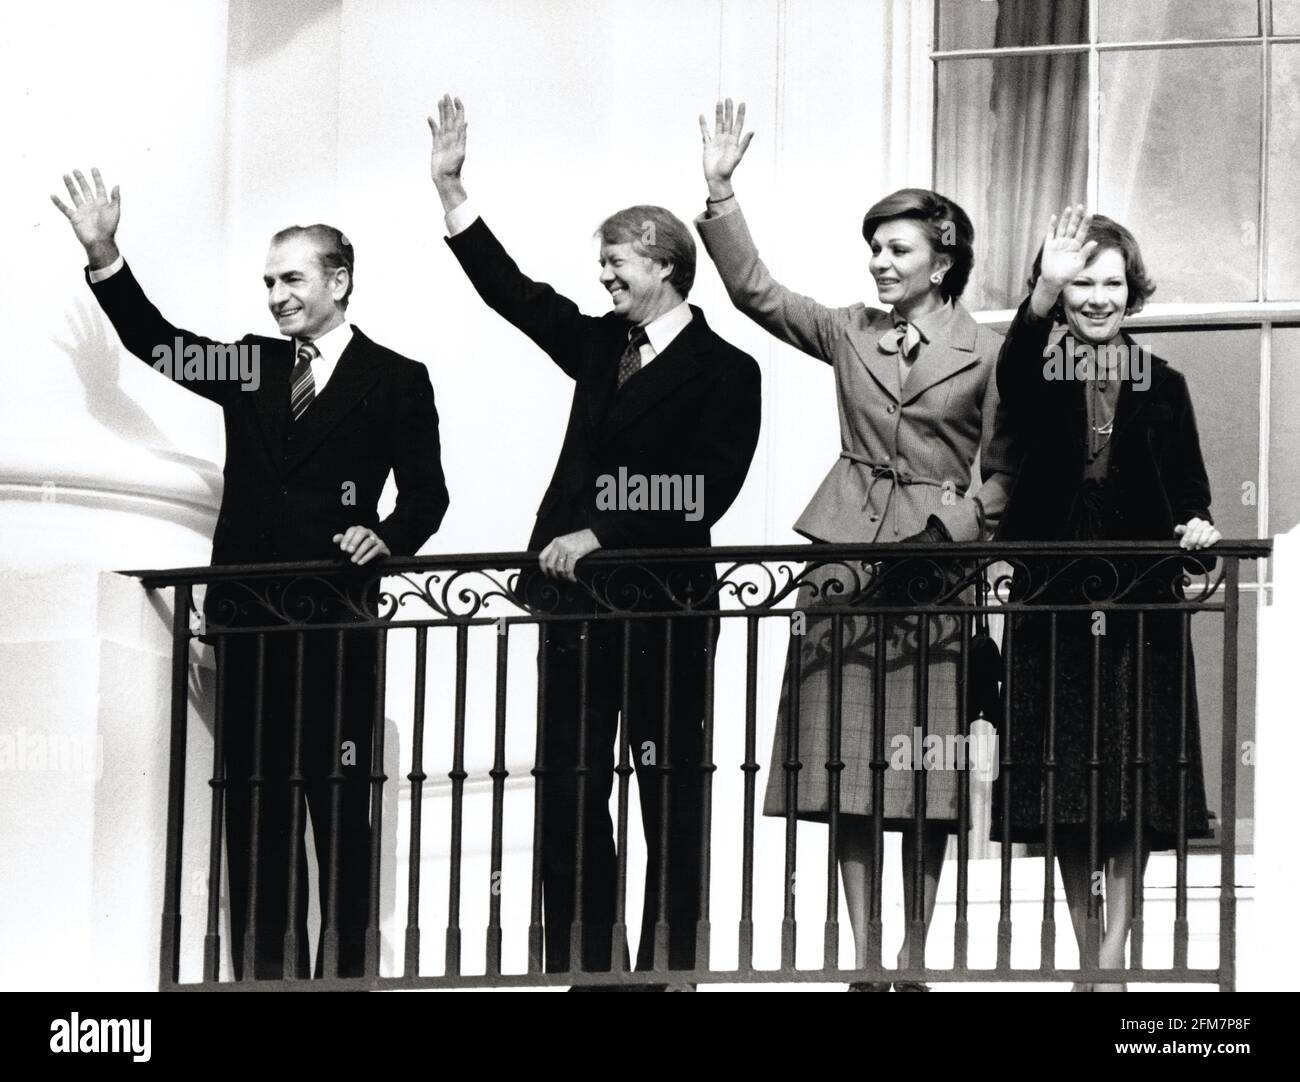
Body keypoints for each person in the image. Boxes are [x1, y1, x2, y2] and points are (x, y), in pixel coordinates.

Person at [52, 169, 450, 980]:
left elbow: (429, 494)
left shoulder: (397, 378)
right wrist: (105, 255)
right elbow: (156, 342)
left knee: (340, 818)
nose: (276, 296)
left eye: (292, 278)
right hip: (249, 623)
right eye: (268, 282)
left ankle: (343, 985)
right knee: (259, 821)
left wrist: (388, 537)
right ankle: (269, 987)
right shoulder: (253, 366)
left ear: (339, 281)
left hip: (337, 624)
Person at [427, 96, 761, 985]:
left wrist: (601, 532)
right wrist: (454, 193)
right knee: (573, 796)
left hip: (664, 608)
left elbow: (707, 490)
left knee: (670, 799)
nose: (604, 279)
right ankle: (592, 971)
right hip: (574, 609)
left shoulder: (729, 369)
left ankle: (670, 973)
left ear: (663, 264)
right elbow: (518, 298)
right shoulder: (600, 346)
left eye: (615, 264)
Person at [694, 100, 1015, 990]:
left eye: (898, 249)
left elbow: (1006, 476)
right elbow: (756, 290)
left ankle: (911, 960)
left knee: (924, 782)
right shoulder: (847, 329)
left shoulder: (986, 355)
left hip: (935, 572)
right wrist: (721, 194)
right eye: (873, 248)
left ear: (943, 260)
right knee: (846, 775)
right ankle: (865, 962)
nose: (879, 262)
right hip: (840, 564)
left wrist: (952, 528)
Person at [992, 205, 1220, 991]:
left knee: (1132, 793)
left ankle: (1108, 966)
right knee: (1066, 791)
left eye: (1110, 281)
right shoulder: (1035, 370)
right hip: (1051, 610)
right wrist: (1042, 292)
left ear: (1133, 290)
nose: (1097, 297)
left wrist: (1197, 531)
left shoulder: (1168, 384)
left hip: (1139, 613)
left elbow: (1192, 495)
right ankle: (1094, 965)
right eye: (1081, 281)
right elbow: (1013, 372)